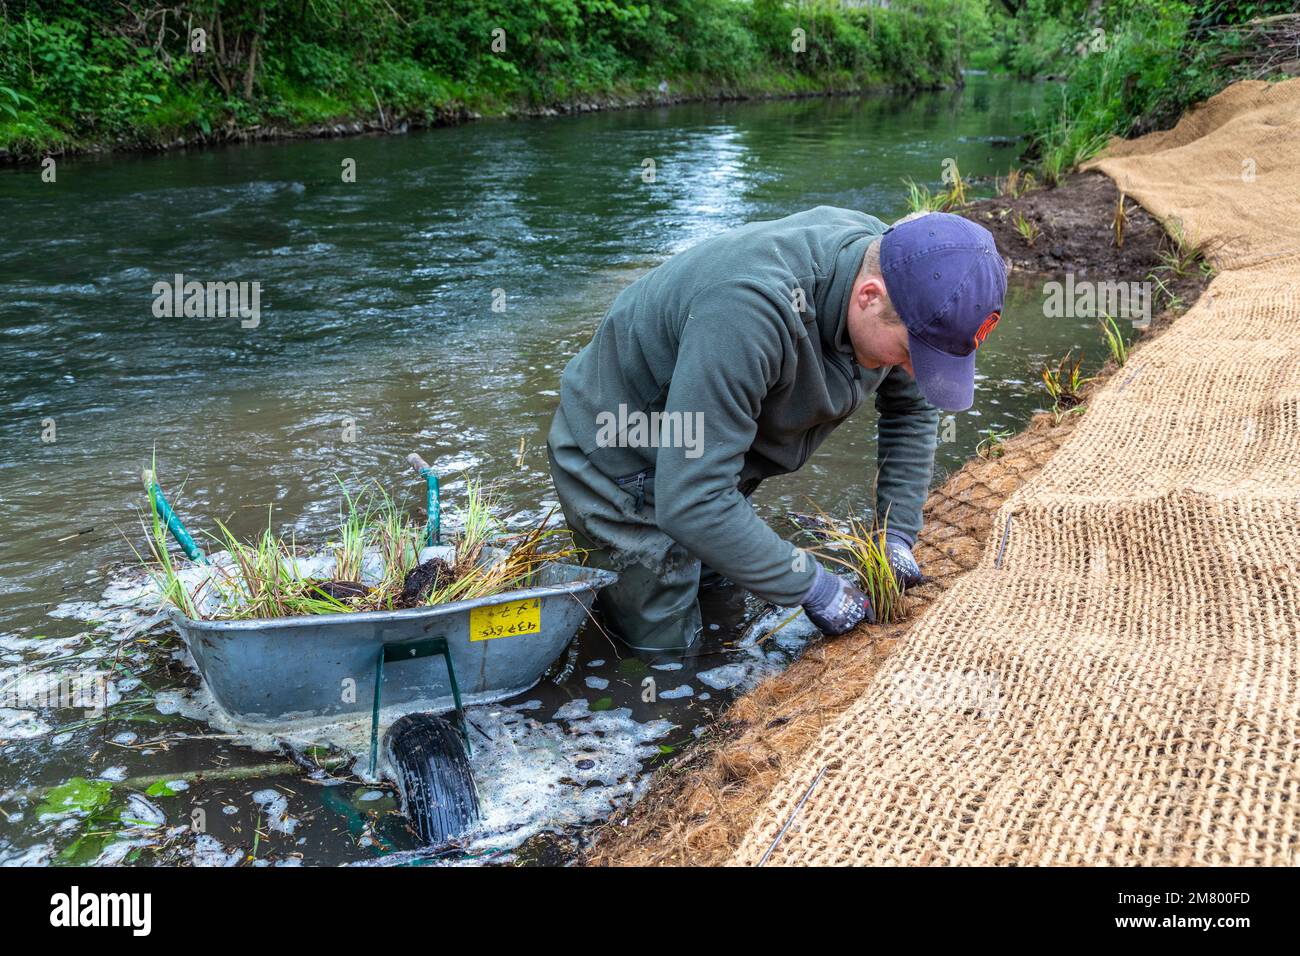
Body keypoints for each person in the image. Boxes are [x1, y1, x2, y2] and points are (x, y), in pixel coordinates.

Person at [547, 207, 1006, 651]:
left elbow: (911, 411)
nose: (911, 370)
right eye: (910, 354)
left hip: (710, 453)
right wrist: (815, 586)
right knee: (663, 650)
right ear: (869, 296)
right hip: (619, 460)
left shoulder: (904, 273)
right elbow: (692, 500)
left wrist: (897, 534)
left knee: (721, 607)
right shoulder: (749, 311)